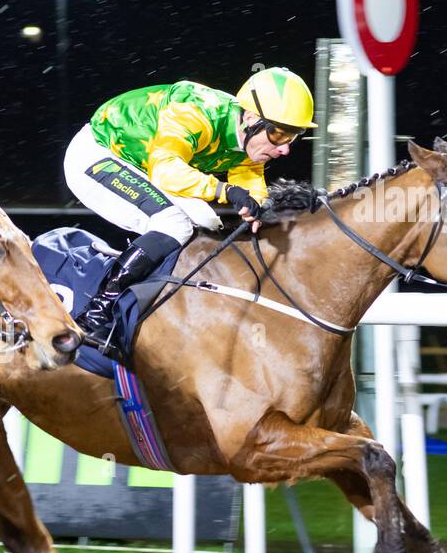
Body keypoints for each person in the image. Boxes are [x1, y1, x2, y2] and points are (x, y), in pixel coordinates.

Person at [63, 65, 317, 359]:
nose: (285, 149)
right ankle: (96, 315)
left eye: (293, 136)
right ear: (250, 118)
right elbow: (166, 170)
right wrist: (224, 191)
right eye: (279, 134)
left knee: (207, 221)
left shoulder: (247, 139)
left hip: (140, 167)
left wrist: (257, 205)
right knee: (173, 224)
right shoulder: (197, 111)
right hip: (98, 154)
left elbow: (248, 177)